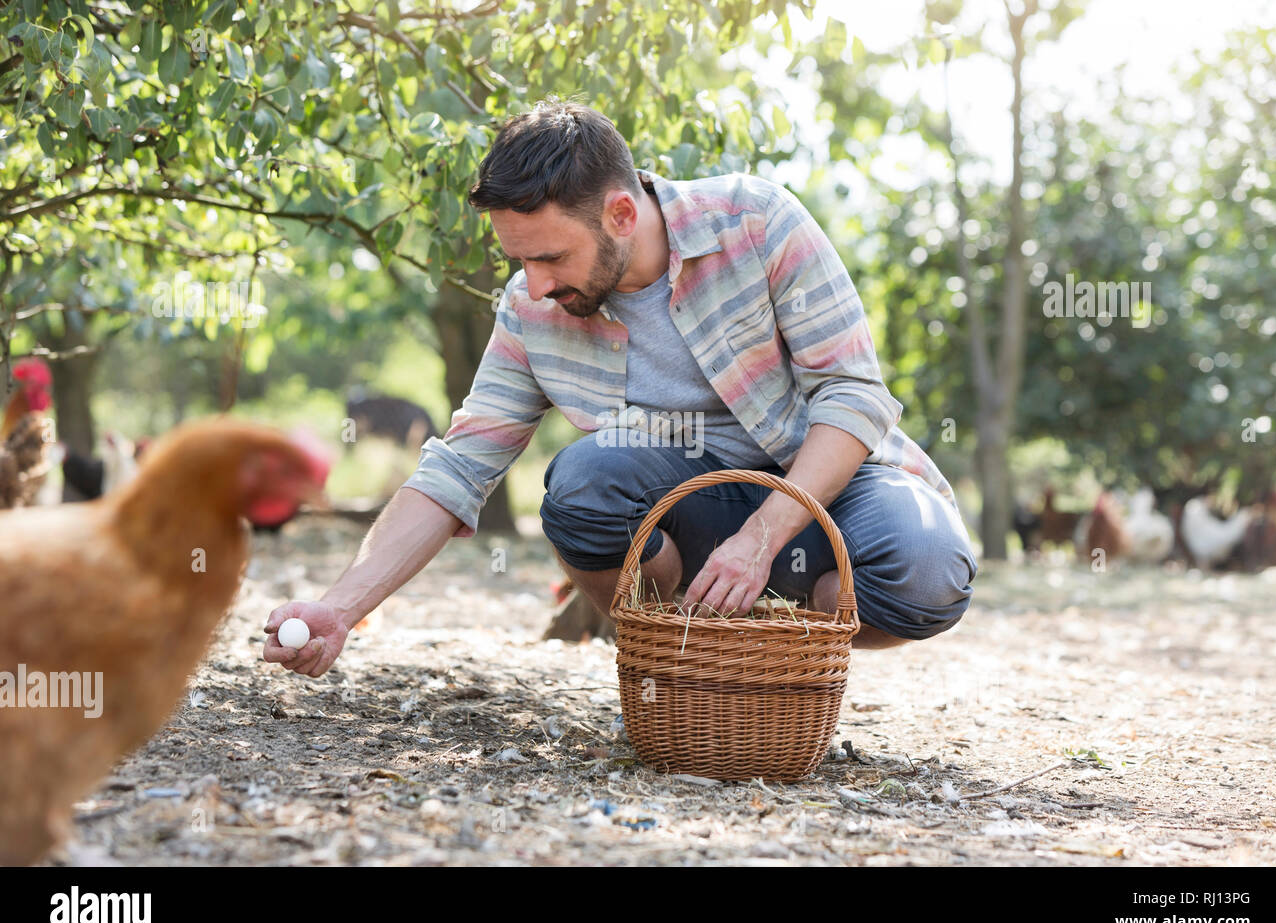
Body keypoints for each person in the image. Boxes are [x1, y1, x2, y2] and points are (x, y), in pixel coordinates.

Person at [263, 97, 977, 678]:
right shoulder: (528, 307)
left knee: (927, 573)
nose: (534, 285)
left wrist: (762, 541)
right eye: (519, 261)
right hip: (686, 512)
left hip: (825, 489)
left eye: (549, 257)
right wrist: (340, 608)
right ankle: (669, 651)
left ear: (621, 215)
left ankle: (783, 651)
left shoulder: (759, 224)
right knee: (582, 482)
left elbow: (853, 398)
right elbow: (458, 468)